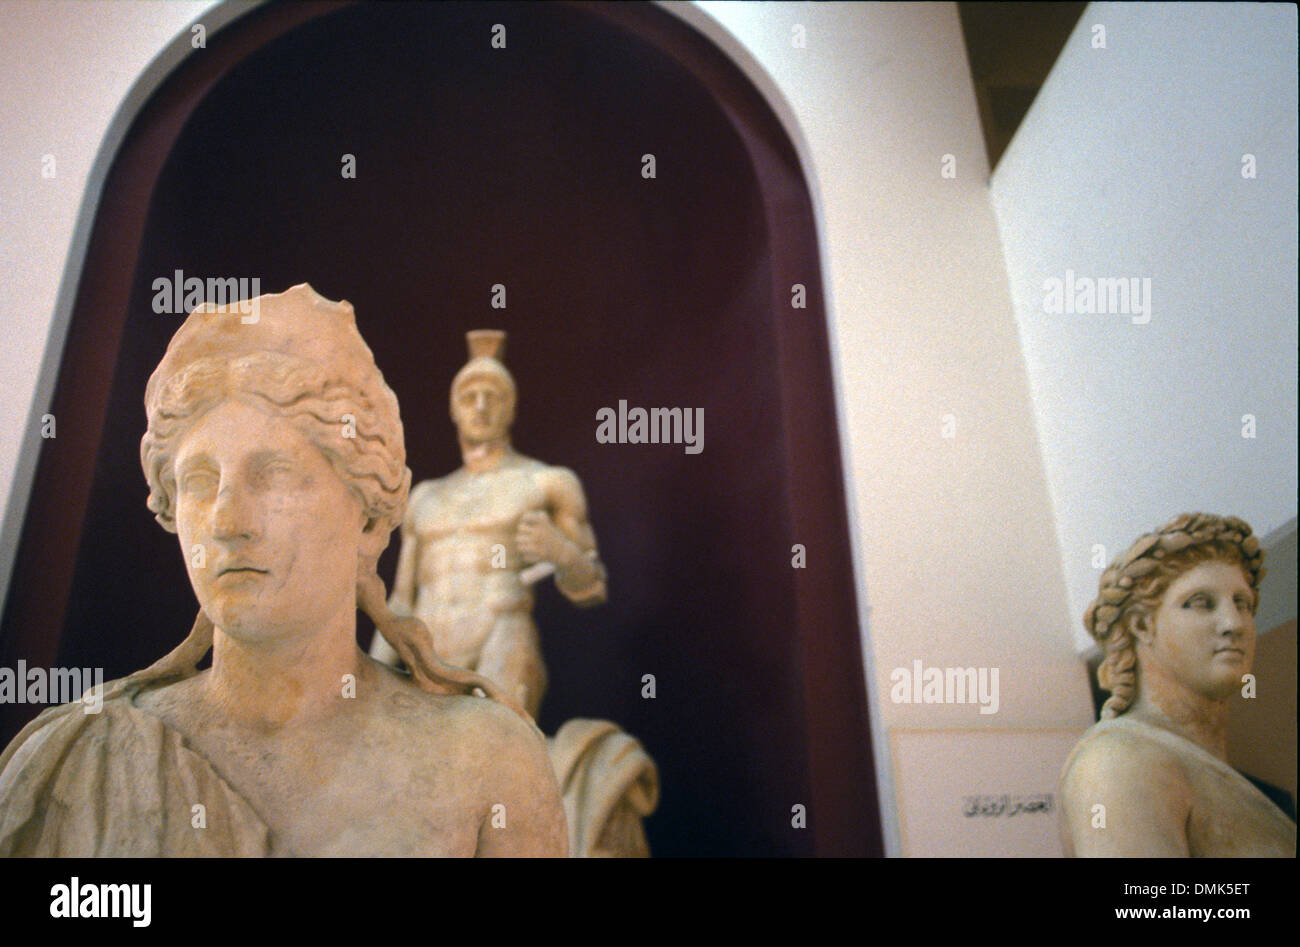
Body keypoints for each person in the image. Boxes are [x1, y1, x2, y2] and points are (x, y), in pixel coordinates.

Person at [0, 284, 567, 857]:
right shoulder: (77, 764)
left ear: (369, 519)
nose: (227, 520)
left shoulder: (488, 761)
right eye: (198, 481)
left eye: (273, 474)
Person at [369, 330, 606, 718]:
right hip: (430, 656)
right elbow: (400, 602)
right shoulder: (426, 497)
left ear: (511, 408)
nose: (480, 406)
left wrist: (563, 554)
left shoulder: (543, 483)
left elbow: (592, 586)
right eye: (469, 397)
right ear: (453, 409)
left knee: (491, 761)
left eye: (492, 397)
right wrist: (372, 677)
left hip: (501, 645)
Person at [1060, 513, 1295, 856]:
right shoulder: (1120, 760)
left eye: (1242, 603)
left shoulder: (1224, 778)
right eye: (1200, 603)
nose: (1234, 624)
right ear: (1142, 625)